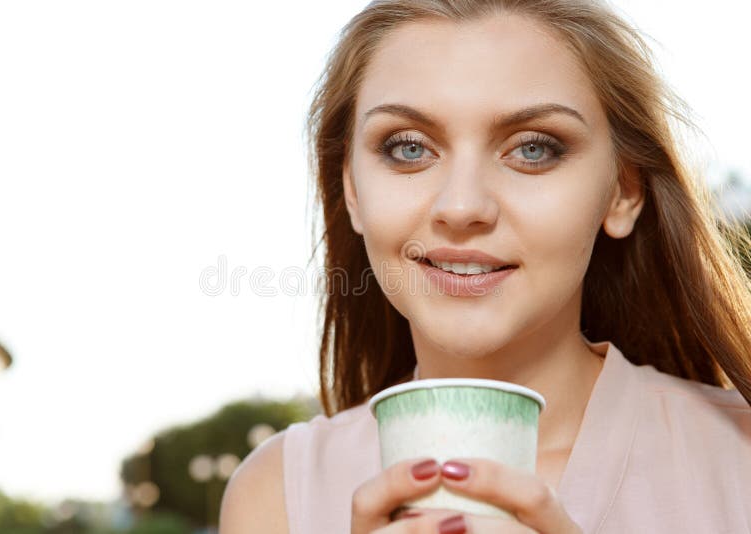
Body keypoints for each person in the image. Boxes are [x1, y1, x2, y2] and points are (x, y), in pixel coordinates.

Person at [219, 0, 751, 532]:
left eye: (534, 149)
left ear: (623, 191)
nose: (462, 207)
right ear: (352, 191)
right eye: (408, 148)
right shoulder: (275, 496)